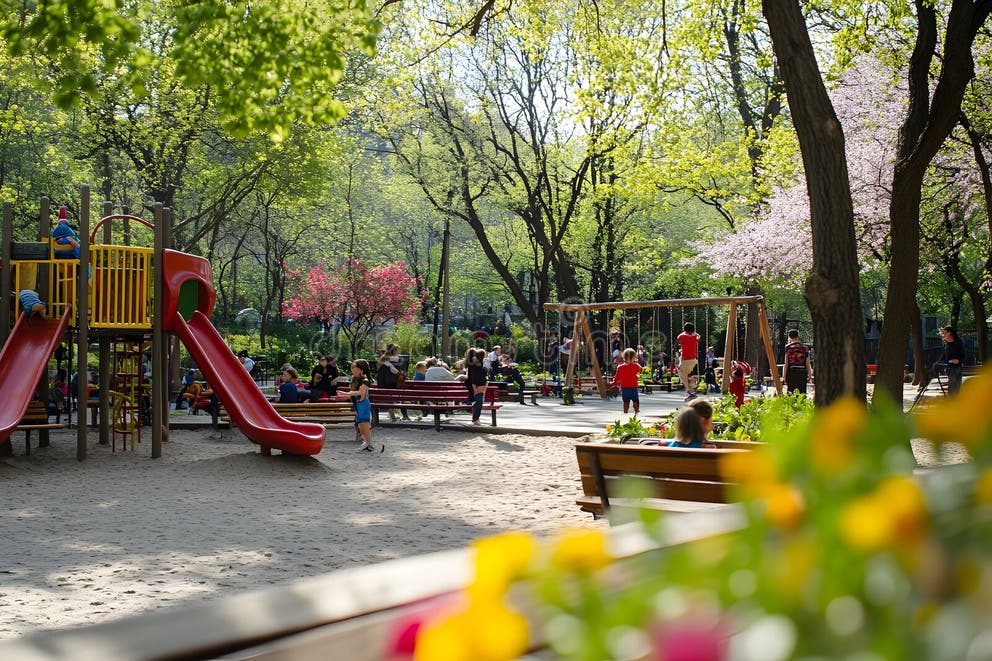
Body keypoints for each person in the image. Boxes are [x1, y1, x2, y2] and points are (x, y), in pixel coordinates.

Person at [340, 358, 379, 453]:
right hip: (359, 404)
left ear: (361, 370)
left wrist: (348, 394)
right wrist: (347, 395)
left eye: (355, 369)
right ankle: (367, 443)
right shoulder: (358, 379)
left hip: (363, 404)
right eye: (352, 368)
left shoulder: (364, 380)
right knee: (361, 426)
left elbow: (362, 393)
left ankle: (368, 443)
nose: (353, 371)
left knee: (364, 425)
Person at [376, 343, 409, 421]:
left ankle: (393, 415)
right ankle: (393, 416)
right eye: (398, 350)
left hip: (384, 382)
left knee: (390, 399)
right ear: (394, 351)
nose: (399, 352)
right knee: (391, 399)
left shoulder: (383, 359)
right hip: (390, 382)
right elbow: (394, 371)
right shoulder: (394, 359)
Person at [781, 329, 814, 395]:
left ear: (789, 337)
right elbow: (808, 363)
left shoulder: (788, 347)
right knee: (802, 393)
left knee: (791, 393)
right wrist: (810, 376)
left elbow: (786, 363)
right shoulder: (805, 347)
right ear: (797, 336)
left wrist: (784, 377)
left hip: (791, 372)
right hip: (802, 373)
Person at [610, 347, 641, 414]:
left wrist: (613, 384)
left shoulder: (620, 367)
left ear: (624, 356)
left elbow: (617, 378)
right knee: (636, 401)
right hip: (633, 388)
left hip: (625, 388)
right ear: (634, 357)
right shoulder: (636, 366)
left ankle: (625, 411)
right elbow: (640, 371)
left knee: (626, 402)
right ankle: (636, 410)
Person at [676, 323, 701, 400]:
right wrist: (695, 333)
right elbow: (699, 337)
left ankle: (689, 391)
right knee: (684, 374)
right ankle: (690, 388)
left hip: (685, 359)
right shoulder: (694, 337)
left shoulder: (682, 336)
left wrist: (685, 332)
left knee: (682, 375)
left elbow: (678, 338)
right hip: (693, 359)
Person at [465, 347, 488, 425]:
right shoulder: (477, 366)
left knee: (477, 401)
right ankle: (476, 418)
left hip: (471, 386)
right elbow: (477, 377)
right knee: (479, 401)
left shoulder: (469, 365)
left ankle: (475, 417)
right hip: (477, 386)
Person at [939, 325, 965, 395]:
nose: (943, 334)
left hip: (957, 367)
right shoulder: (946, 344)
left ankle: (955, 401)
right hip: (949, 367)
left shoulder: (958, 342)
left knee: (956, 386)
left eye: (944, 333)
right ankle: (951, 401)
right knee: (952, 385)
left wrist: (958, 360)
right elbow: (944, 357)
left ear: (950, 333)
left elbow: (963, 355)